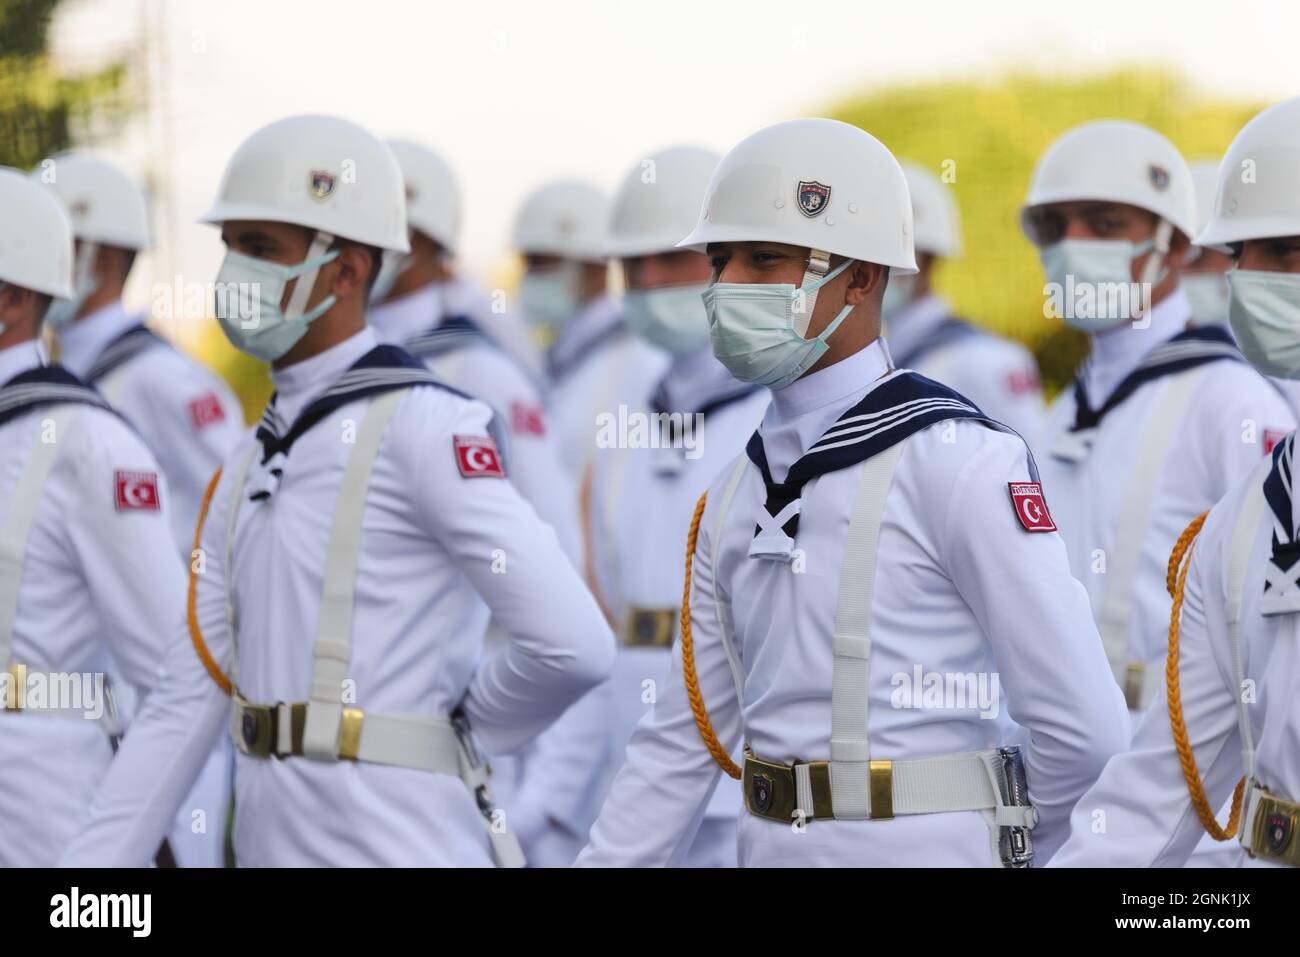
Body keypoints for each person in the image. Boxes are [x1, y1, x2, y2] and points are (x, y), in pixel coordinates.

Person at [59, 115, 614, 867]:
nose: (234, 275)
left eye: (260, 250)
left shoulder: (427, 424)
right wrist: (80, 885)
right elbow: (188, 699)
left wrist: (456, 725)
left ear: (347, 271)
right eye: (231, 247)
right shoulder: (247, 461)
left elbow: (573, 642)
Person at [577, 118, 1128, 868]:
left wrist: (1011, 846)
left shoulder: (959, 459)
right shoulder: (734, 491)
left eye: (764, 258)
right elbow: (681, 740)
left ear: (862, 277)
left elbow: (1084, 731)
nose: (727, 283)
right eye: (719, 259)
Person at [1054, 97, 1300, 867]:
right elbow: (1157, 794)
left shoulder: (1228, 404)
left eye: (1286, 249)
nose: (1252, 277)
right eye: (1240, 253)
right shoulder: (1242, 522)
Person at [512, 146, 768, 866]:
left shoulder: (777, 417)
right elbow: (603, 629)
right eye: (635, 267)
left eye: (671, 260)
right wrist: (539, 804)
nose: (650, 282)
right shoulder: (618, 418)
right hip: (635, 773)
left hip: (749, 784)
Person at [1027, 120, 1294, 718]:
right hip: (1071, 752)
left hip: (1189, 766)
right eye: (1053, 226)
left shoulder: (1232, 403)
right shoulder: (1061, 411)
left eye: (1103, 224)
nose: (1071, 245)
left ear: (1175, 244)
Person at [38, 149, 244, 868]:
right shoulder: (62, 377)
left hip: (159, 702)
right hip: (80, 705)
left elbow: (246, 500)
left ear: (103, 253)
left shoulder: (159, 377)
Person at [0, 168, 183, 865]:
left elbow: (173, 678)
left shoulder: (87, 442)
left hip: (49, 817)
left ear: (13, 296)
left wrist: (126, 848)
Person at [370, 140, 580, 564]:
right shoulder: (352, 350)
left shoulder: (477, 367)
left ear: (422, 238)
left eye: (369, 224)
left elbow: (553, 537)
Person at [513, 180, 668, 484]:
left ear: (593, 266)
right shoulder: (561, 355)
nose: (532, 278)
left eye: (542, 263)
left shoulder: (642, 359)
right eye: (529, 263)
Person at [884, 161, 1044, 439]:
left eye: (883, 257)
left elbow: (1032, 467)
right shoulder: (888, 355)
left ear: (927, 258)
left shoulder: (987, 361)